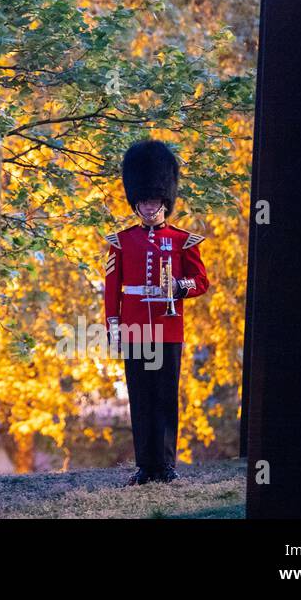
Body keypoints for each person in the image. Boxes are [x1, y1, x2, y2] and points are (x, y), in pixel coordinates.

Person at [103, 139, 209, 486]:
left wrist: (178, 287)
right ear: (137, 203)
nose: (148, 207)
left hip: (168, 328)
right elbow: (111, 288)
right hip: (135, 328)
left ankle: (165, 465)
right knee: (140, 396)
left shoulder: (182, 240)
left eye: (153, 201)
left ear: (164, 201)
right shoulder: (121, 240)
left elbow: (201, 281)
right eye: (143, 202)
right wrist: (113, 326)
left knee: (165, 397)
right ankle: (145, 466)